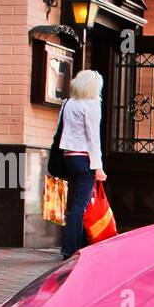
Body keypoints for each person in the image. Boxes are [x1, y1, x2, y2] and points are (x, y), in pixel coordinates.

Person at [58, 69, 106, 259]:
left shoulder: (68, 103)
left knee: (75, 204)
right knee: (81, 205)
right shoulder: (92, 104)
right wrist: (98, 166)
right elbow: (93, 137)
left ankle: (75, 244)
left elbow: (60, 130)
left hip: (69, 156)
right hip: (84, 157)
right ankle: (70, 249)